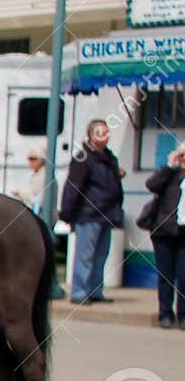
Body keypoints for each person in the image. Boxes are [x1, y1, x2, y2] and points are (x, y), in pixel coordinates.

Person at [59, 119, 126, 304]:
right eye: (101, 133)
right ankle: (79, 292)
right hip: (88, 214)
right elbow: (73, 187)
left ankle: (95, 291)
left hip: (108, 214)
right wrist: (67, 213)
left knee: (101, 255)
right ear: (91, 136)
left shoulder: (110, 158)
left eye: (107, 132)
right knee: (85, 255)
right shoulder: (83, 158)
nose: (106, 136)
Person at [141, 145, 185, 329]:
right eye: (182, 155)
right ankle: (165, 314)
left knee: (183, 276)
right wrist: (170, 163)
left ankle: (183, 315)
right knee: (165, 275)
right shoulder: (170, 174)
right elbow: (151, 185)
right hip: (164, 231)